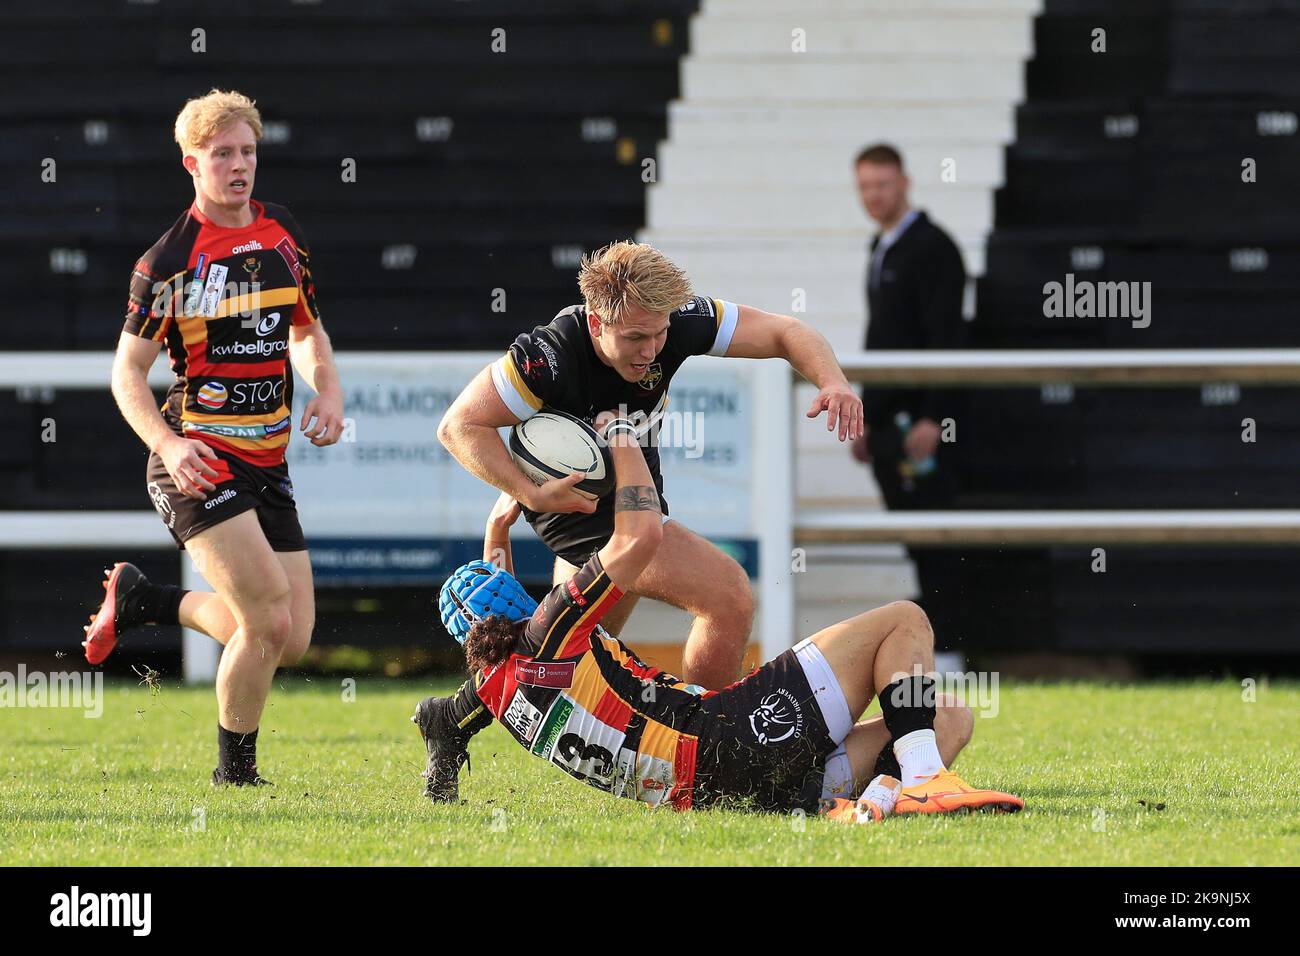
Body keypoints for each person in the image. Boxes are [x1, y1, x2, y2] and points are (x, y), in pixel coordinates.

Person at [413, 409, 1023, 820]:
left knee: (946, 716)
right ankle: (924, 781)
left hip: (721, 793)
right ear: (514, 602)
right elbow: (635, 541)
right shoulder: (550, 629)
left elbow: (490, 607)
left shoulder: (495, 688)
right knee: (904, 620)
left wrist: (499, 528)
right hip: (732, 737)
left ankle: (876, 798)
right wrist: (623, 440)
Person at [438, 239, 863, 689]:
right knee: (728, 597)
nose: (651, 351)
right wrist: (530, 493)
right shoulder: (548, 356)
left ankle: (483, 707)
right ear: (596, 322)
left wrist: (833, 381)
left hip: (633, 483)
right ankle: (711, 728)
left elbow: (786, 331)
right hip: (579, 506)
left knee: (578, 658)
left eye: (659, 334)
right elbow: (458, 426)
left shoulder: (676, 320)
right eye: (635, 338)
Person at [81, 89, 344, 786]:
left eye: (247, 151)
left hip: (267, 462)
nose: (238, 165)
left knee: (292, 637)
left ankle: (147, 602)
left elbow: (306, 330)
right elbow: (126, 374)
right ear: (191, 163)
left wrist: (328, 388)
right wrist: (169, 447)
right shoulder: (169, 261)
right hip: (196, 459)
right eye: (222, 153)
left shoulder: (282, 232)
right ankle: (236, 777)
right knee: (266, 620)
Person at [851, 143, 969, 653]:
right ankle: (936, 643)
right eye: (865, 186)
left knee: (935, 536)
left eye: (882, 184)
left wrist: (933, 416)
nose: (874, 195)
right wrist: (865, 415)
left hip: (916, 422)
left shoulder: (933, 248)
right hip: (887, 420)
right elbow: (882, 337)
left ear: (904, 183)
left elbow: (948, 337)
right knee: (916, 537)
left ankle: (949, 648)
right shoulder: (881, 247)